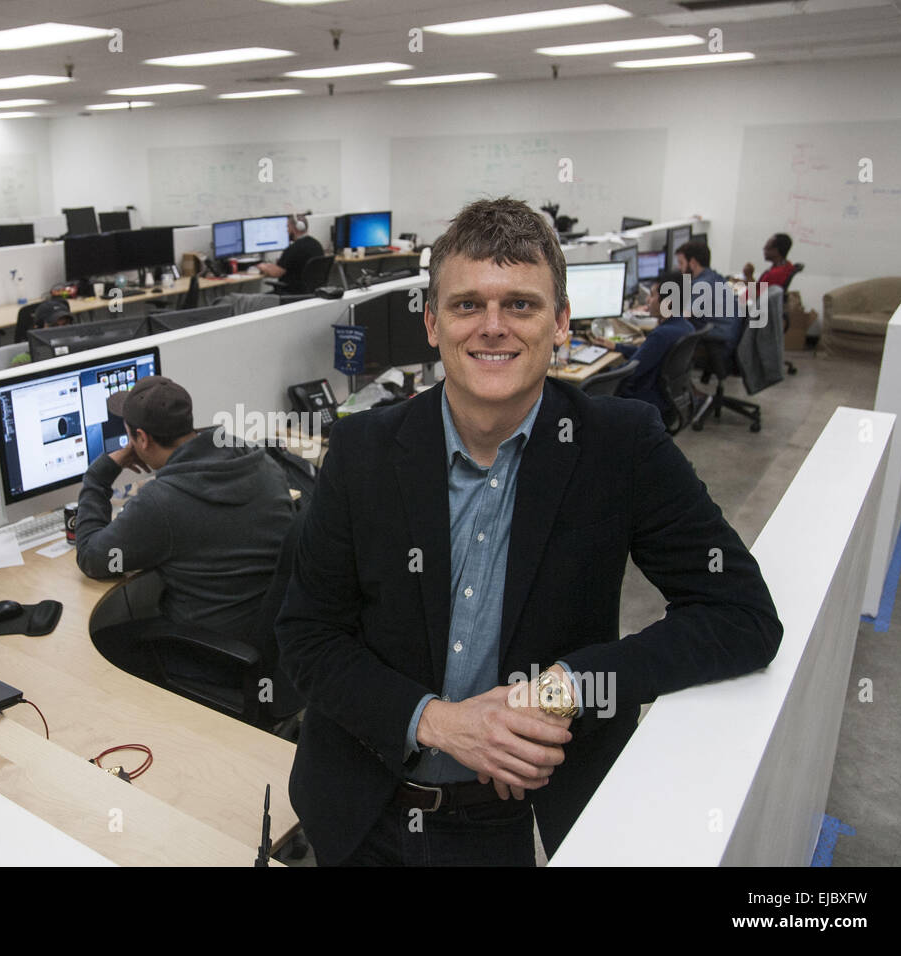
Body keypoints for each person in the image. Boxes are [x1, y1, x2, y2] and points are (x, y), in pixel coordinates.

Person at [276, 197, 782, 867]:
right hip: (358, 808)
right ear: (431, 322)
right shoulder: (363, 448)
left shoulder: (619, 447)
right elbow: (307, 635)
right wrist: (438, 720)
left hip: (502, 819)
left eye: (521, 304)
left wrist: (566, 686)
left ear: (562, 322)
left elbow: (742, 617)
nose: (493, 328)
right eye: (466, 305)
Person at [75, 375, 294, 685]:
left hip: (213, 656)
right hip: (280, 648)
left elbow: (92, 558)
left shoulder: (161, 502)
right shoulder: (260, 463)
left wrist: (99, 477)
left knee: (105, 641)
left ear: (142, 438)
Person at [587, 270, 693, 420]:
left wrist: (599, 372)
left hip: (643, 398)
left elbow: (630, 370)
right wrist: (617, 347)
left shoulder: (661, 335)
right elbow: (647, 354)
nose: (648, 301)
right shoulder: (685, 327)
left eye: (652, 295)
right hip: (663, 397)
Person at [675, 238, 739, 354]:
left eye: (681, 263)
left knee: (669, 334)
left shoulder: (701, 285)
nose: (679, 268)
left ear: (693, 263)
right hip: (727, 337)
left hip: (718, 342)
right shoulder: (714, 277)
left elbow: (682, 316)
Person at [256, 214, 323, 293]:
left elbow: (276, 273)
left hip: (291, 293)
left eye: (288, 227)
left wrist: (262, 266)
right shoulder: (317, 244)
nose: (287, 231)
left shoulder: (293, 249)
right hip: (311, 292)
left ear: (295, 228)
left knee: (256, 302)